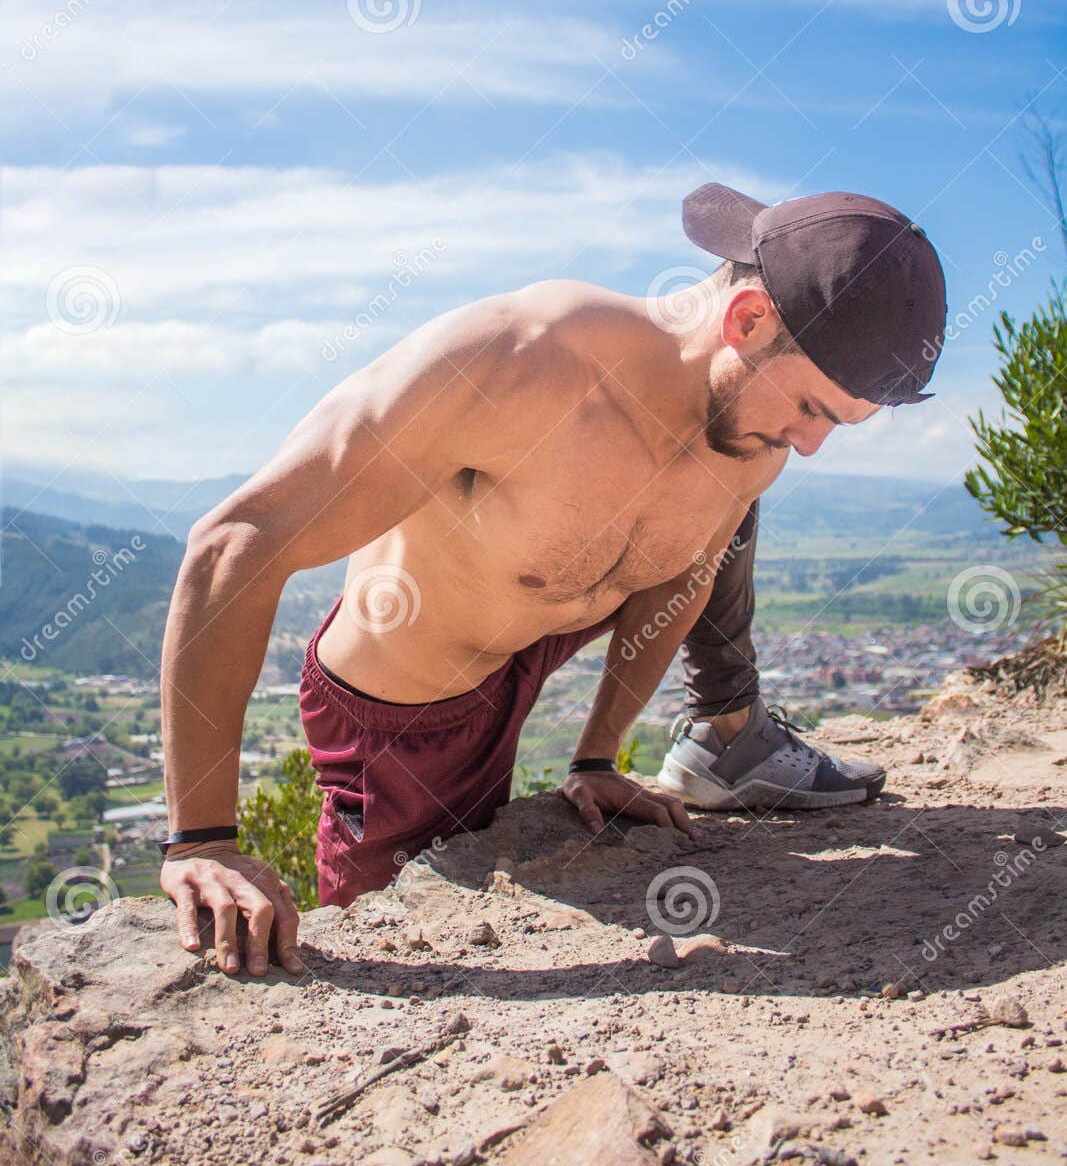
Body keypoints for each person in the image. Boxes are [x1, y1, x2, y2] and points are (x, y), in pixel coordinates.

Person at [158, 182, 947, 975]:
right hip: (411, 704)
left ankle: (726, 740)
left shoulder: (748, 436)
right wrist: (205, 840)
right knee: (382, 946)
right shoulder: (516, 360)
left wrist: (598, 759)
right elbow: (235, 541)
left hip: (554, 621)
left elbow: (682, 578)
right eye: (812, 408)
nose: (808, 447)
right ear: (747, 319)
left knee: (724, 507)